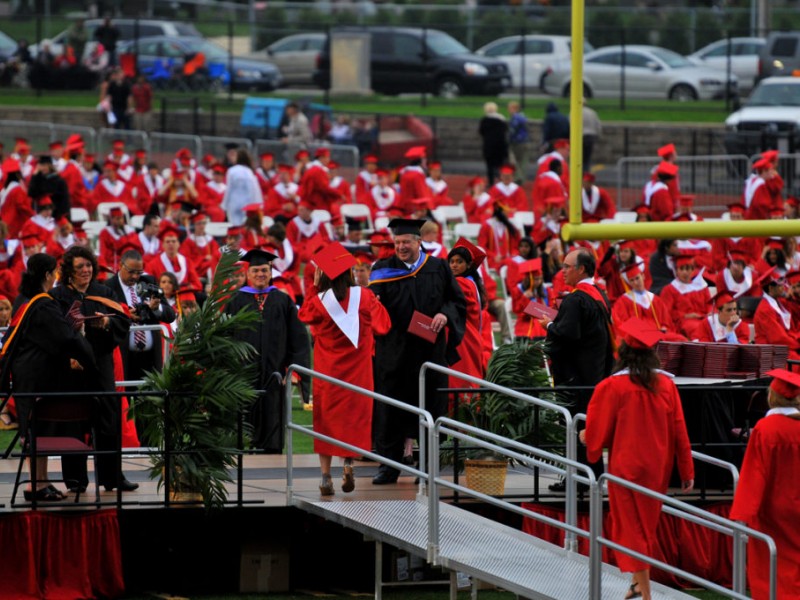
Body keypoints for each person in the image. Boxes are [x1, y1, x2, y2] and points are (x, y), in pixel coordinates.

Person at [583, 317, 694, 600]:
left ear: (623, 354)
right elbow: (680, 429)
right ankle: (636, 583)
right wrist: (686, 470)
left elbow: (599, 433)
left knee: (632, 530)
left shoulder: (612, 387)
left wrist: (587, 438)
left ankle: (646, 593)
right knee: (645, 526)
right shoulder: (666, 386)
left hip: (626, 466)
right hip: (658, 467)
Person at [369, 218, 466, 484]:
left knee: (430, 405)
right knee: (390, 406)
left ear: (418, 242)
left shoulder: (437, 267)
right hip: (394, 350)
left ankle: (427, 467)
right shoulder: (382, 269)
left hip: (429, 350)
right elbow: (371, 307)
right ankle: (388, 466)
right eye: (397, 242)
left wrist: (444, 315)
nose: (401, 247)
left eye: (406, 242)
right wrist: (374, 304)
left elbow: (456, 301)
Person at [0, 254, 97, 501]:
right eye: (54, 272)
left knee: (37, 429)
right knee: (34, 430)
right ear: (47, 275)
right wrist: (85, 351)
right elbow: (64, 337)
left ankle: (41, 481)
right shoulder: (42, 304)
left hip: (29, 373)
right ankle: (35, 485)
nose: (56, 276)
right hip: (33, 377)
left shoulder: (27, 300)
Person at [298, 242, 391, 495]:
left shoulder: (319, 301)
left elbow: (304, 315)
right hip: (358, 374)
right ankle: (349, 465)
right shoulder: (366, 296)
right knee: (353, 420)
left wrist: (315, 288)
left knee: (326, 421)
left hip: (328, 373)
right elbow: (384, 327)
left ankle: (326, 476)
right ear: (350, 273)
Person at [48, 247, 137, 493]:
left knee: (108, 421)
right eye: (79, 267)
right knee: (74, 422)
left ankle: (112, 477)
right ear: (68, 271)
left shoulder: (104, 292)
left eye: (88, 265)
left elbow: (123, 321)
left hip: (101, 366)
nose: (86, 270)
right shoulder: (58, 296)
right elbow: (52, 331)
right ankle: (75, 480)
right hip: (73, 369)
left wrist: (108, 322)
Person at [537, 248, 614, 490]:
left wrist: (549, 323)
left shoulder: (576, 299)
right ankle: (591, 476)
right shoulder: (599, 295)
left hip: (576, 378)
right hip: (596, 374)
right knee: (588, 427)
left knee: (576, 427)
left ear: (581, 269)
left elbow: (567, 335)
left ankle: (577, 481)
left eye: (567, 267)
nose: (563, 271)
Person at [226, 249, 310, 452]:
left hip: (275, 374)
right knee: (245, 419)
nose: (260, 274)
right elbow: (225, 338)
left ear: (271, 272)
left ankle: (272, 455)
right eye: (255, 271)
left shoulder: (282, 300)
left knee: (273, 415)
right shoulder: (235, 301)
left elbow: (298, 339)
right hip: (243, 373)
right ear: (248, 274)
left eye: (264, 270)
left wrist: (293, 370)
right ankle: (245, 454)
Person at [729, 368, 800, 599]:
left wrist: (745, 513)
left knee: (770, 567)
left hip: (773, 511)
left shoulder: (766, 429)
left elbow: (755, 473)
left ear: (772, 396)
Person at [106, 249, 176, 384]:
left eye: (139, 273)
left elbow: (170, 315)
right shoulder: (108, 287)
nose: (135, 277)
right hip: (124, 356)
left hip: (150, 358)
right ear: (121, 266)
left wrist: (157, 308)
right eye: (131, 272)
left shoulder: (148, 282)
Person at [222, 149, 261, 226]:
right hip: (246, 203)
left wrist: (224, 205)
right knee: (244, 225)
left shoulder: (231, 170)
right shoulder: (249, 171)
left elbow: (229, 189)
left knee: (234, 225)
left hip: (234, 202)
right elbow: (253, 190)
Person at [478, 102, 508, 186]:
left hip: (489, 146)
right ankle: (502, 181)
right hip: (500, 146)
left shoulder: (484, 120)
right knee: (501, 165)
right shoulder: (501, 119)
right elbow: (505, 131)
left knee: (490, 166)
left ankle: (491, 182)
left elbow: (481, 132)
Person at [507, 101, 530, 184]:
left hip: (518, 142)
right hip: (524, 141)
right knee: (522, 161)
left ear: (514, 109)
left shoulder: (516, 117)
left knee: (515, 161)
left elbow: (513, 130)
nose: (508, 110)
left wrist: (508, 139)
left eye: (509, 108)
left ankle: (518, 178)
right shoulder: (522, 116)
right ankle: (521, 178)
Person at [582, 99, 602, 172]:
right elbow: (598, 125)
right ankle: (586, 174)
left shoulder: (574, 112)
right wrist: (598, 135)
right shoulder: (592, 112)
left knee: (579, 158)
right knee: (587, 158)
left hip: (580, 137)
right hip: (591, 137)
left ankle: (580, 175)